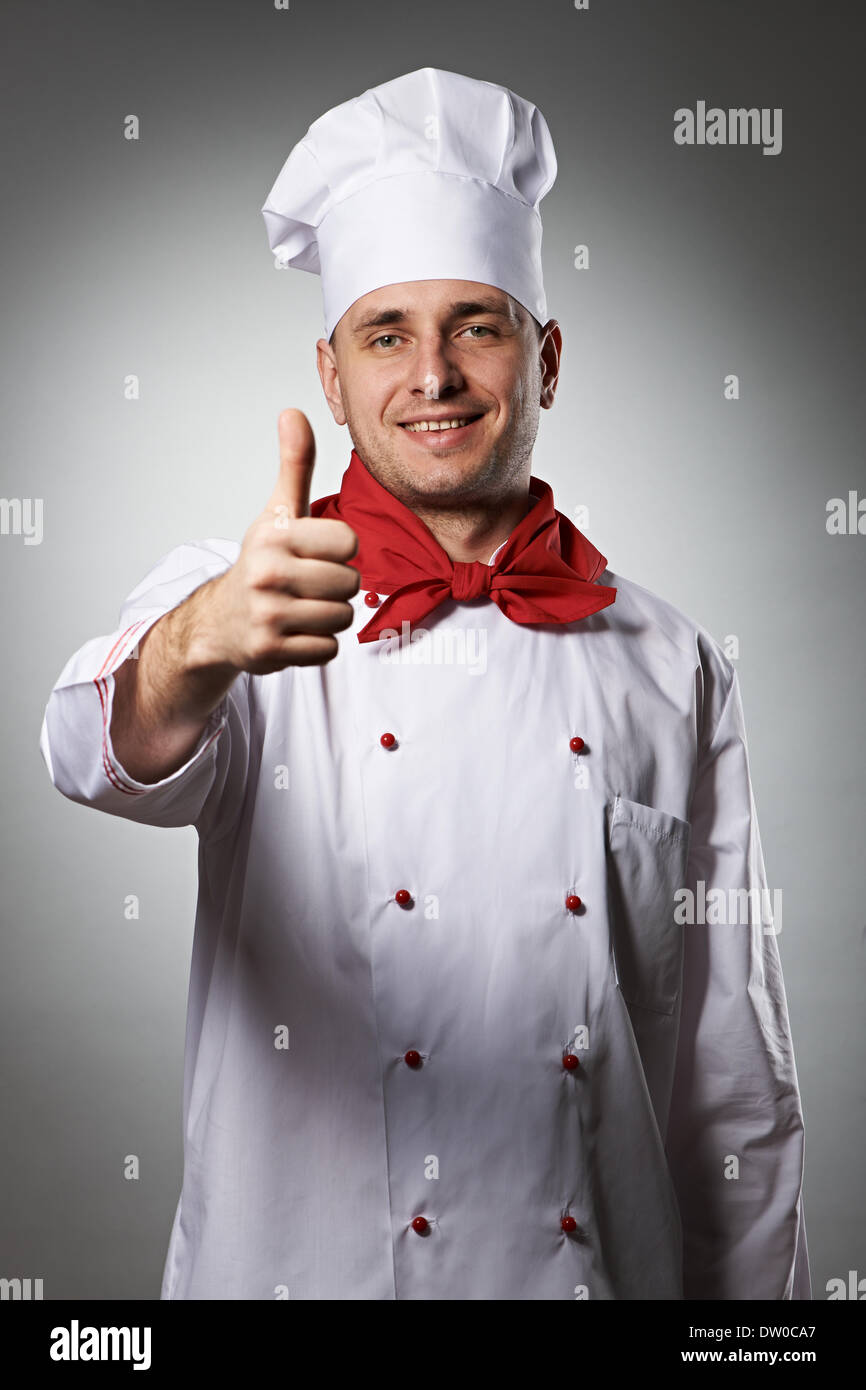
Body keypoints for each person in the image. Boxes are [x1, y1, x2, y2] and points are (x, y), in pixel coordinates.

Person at [40, 67, 810, 1300]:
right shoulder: (252, 600)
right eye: (385, 334)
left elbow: (734, 1084)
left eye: (476, 324)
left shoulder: (675, 663)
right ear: (331, 375)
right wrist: (195, 644)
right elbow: (89, 752)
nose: (433, 374)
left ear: (546, 358)